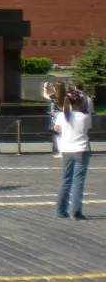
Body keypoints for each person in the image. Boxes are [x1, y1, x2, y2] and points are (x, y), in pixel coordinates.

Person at [54, 87, 91, 220]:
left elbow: (56, 128)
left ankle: (60, 210)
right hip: (81, 150)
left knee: (66, 180)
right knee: (78, 181)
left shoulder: (63, 115)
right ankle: (76, 212)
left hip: (66, 150)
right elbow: (88, 129)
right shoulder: (85, 117)